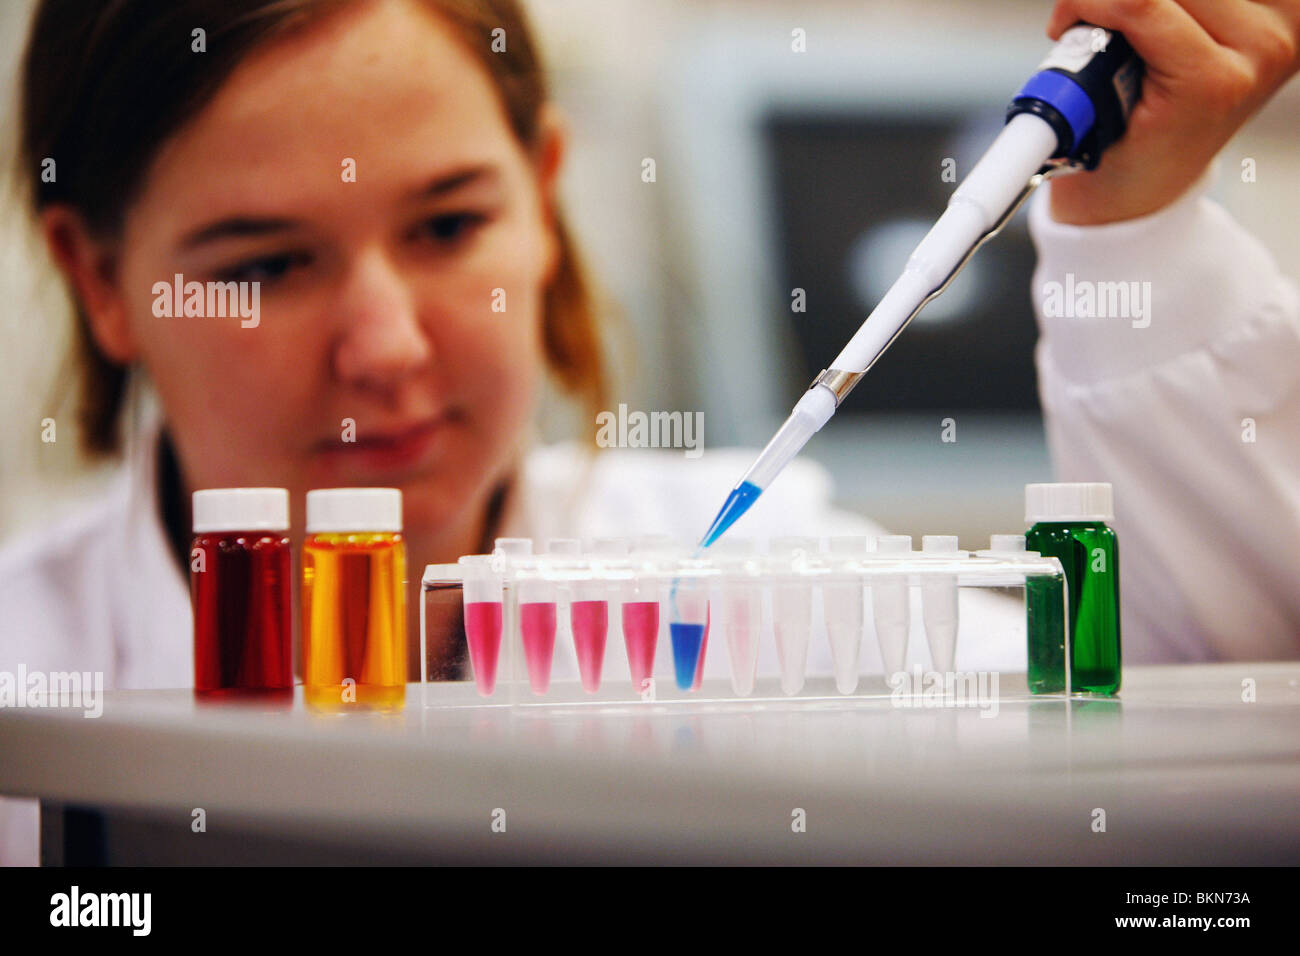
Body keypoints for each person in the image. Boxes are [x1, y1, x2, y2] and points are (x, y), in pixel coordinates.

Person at [1, 0, 1297, 866]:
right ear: (102, 279)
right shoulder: (23, 673)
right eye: (270, 262)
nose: (387, 346)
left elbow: (1207, 730)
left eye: (451, 228)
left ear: (546, 199)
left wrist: (1137, 220)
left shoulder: (741, 564)